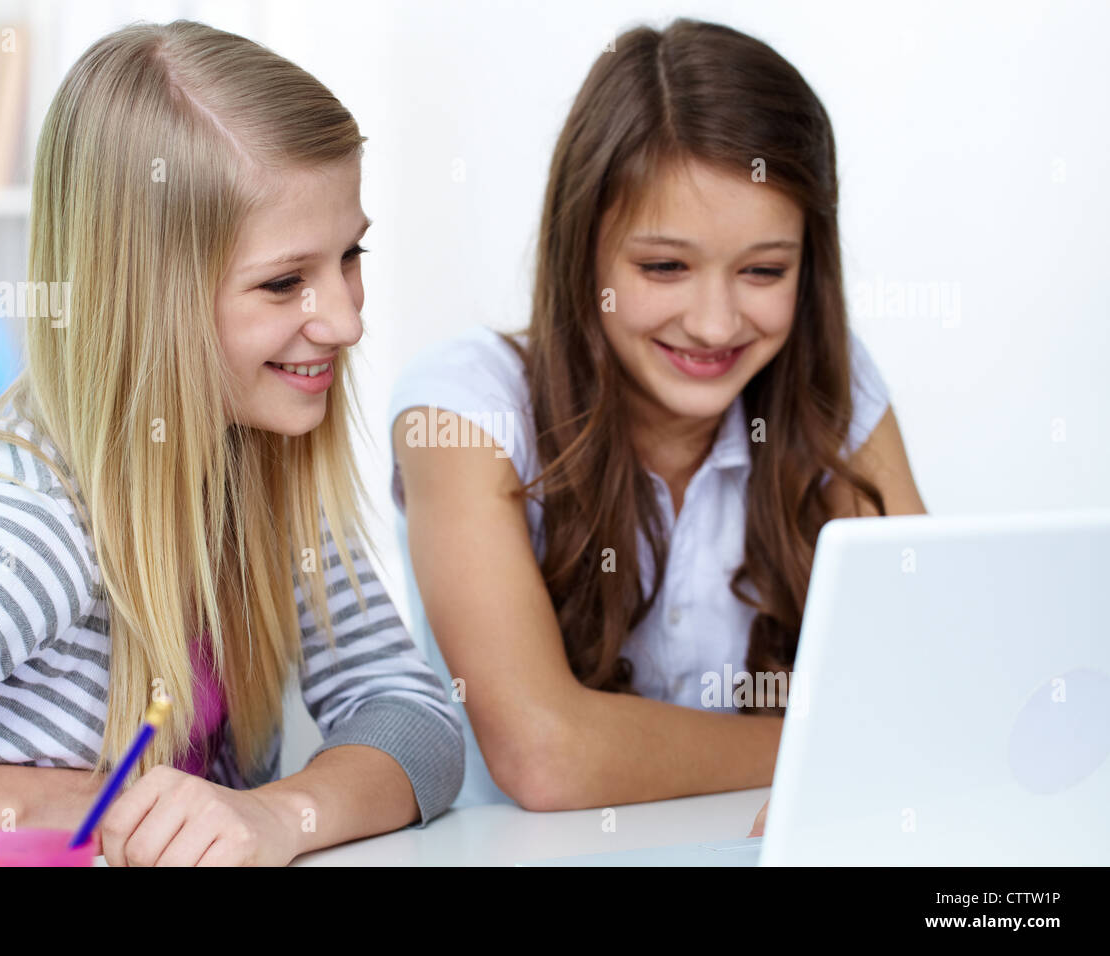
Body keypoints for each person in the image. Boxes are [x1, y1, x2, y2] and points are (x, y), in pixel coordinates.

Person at [0, 20, 462, 866]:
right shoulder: (29, 532)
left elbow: (415, 718)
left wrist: (279, 815)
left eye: (351, 255)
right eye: (284, 282)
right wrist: (6, 800)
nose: (345, 318)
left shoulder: (265, 460)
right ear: (148, 302)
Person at [389, 18, 925, 820]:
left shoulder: (829, 384)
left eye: (764, 270)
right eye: (665, 267)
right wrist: (830, 742)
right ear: (584, 254)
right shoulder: (464, 405)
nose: (714, 324)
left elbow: (926, 686)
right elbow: (544, 754)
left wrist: (878, 736)